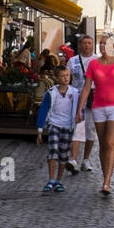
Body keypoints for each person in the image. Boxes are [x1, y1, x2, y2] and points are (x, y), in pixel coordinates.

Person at [76, 33, 114, 195]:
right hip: (98, 107)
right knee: (102, 145)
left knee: (109, 142)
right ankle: (104, 177)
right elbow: (86, 88)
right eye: (100, 43)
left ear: (113, 46)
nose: (101, 46)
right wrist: (80, 109)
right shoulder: (93, 64)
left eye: (104, 43)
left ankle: (107, 182)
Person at [36, 64, 79, 193]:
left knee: (63, 154)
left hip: (67, 126)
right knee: (53, 151)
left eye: (67, 75)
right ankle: (51, 179)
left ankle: (59, 180)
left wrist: (79, 115)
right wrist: (39, 130)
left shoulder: (75, 93)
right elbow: (43, 110)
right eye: (63, 76)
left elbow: (79, 107)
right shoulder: (51, 93)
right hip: (54, 124)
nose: (66, 78)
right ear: (56, 78)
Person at [66, 35, 97, 174]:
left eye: (89, 43)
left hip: (93, 99)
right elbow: (67, 78)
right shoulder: (72, 61)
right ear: (80, 45)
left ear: (92, 45)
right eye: (84, 43)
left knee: (90, 130)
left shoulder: (97, 60)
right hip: (77, 99)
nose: (86, 45)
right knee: (77, 127)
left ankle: (86, 159)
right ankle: (73, 160)